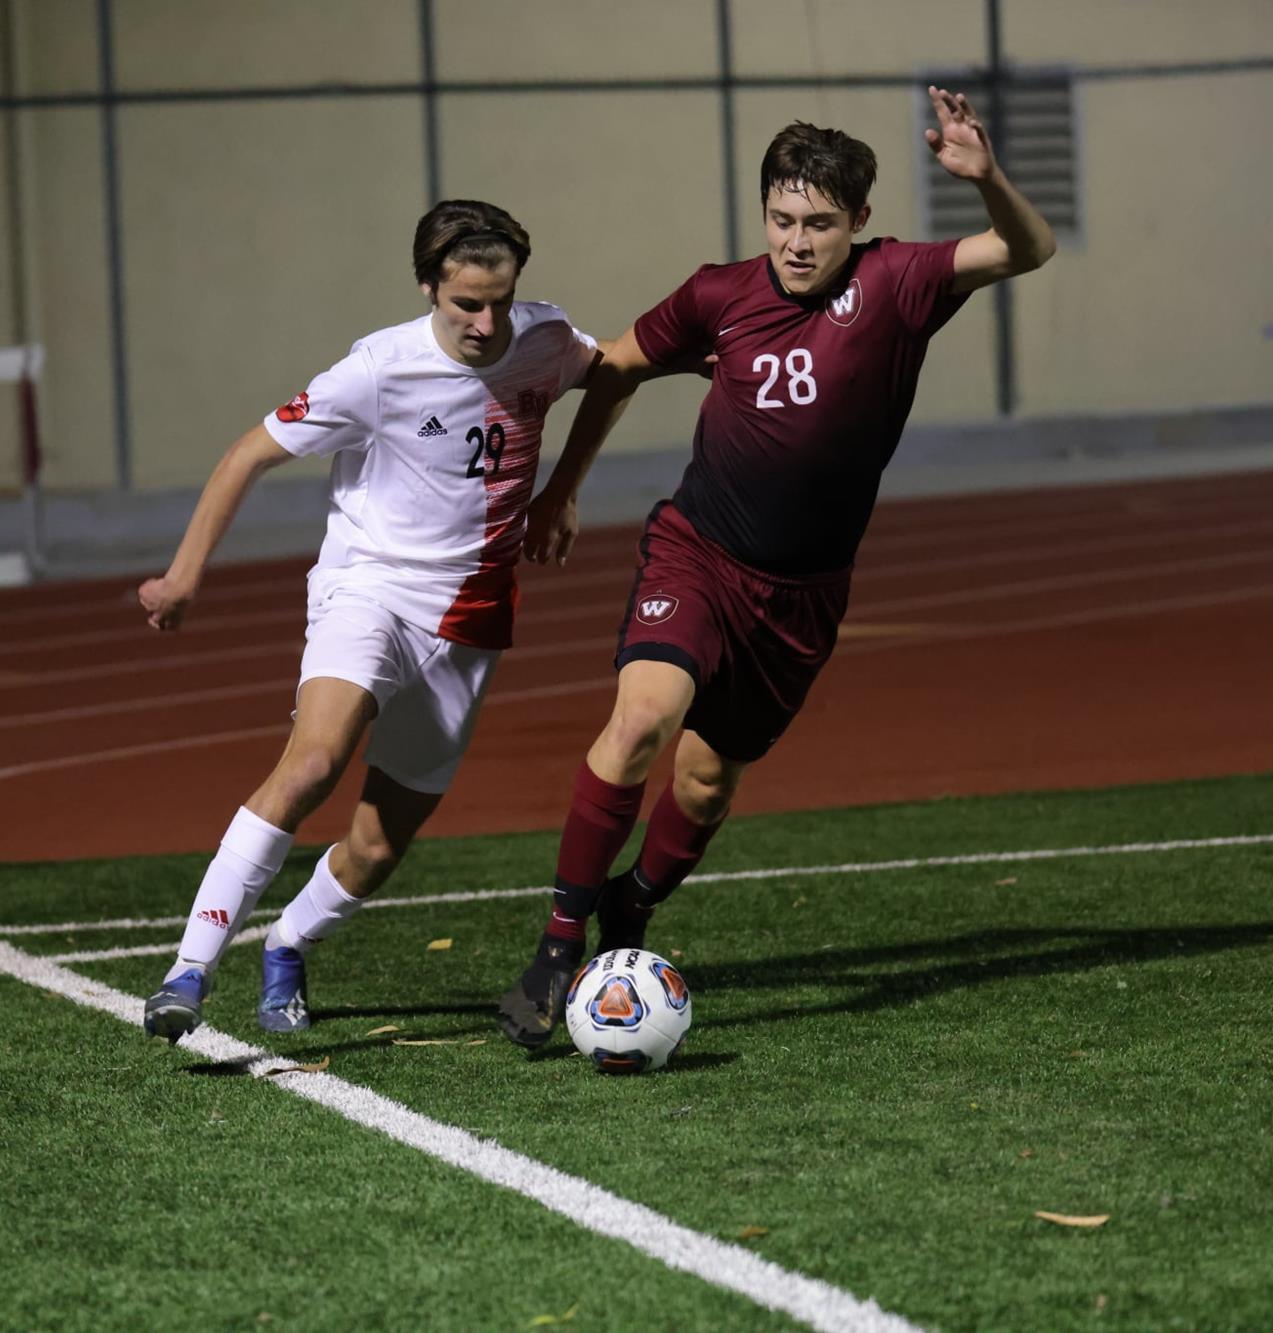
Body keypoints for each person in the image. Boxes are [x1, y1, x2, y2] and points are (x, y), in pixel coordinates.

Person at [497, 87, 1058, 1048]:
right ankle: (556, 947)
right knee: (640, 722)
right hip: (698, 551)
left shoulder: (899, 282)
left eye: (820, 224)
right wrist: (561, 490)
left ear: (860, 220)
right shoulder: (717, 294)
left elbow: (1027, 249)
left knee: (706, 784)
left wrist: (988, 178)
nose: (797, 242)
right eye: (782, 219)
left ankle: (631, 907)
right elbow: (619, 366)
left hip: (801, 595)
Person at [139, 199, 602, 1041]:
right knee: (315, 759)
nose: (485, 322)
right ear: (429, 287)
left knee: (378, 846)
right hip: (370, 589)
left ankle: (288, 943)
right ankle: (188, 970)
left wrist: (563, 489)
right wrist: (182, 577)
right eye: (466, 303)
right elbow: (247, 453)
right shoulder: (377, 371)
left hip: (470, 621)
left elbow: (612, 372)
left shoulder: (546, 338)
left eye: (499, 302)